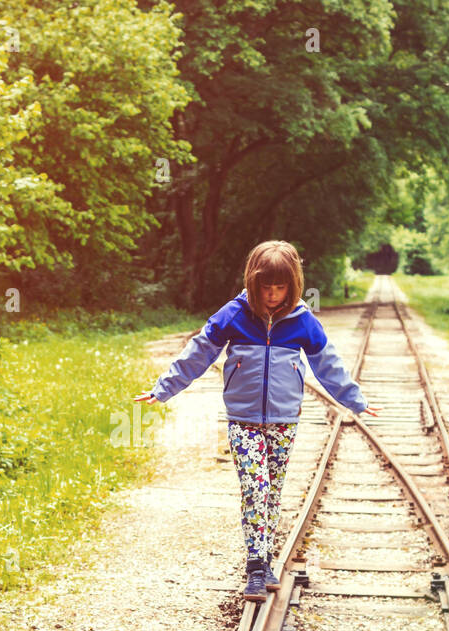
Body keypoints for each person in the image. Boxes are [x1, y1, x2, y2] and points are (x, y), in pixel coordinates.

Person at [135, 240, 380, 602]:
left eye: (280, 287)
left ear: (292, 285)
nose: (272, 294)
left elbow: (327, 363)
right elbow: (199, 350)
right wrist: (165, 388)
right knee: (256, 488)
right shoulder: (234, 314)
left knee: (273, 492)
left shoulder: (301, 320)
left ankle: (265, 559)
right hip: (244, 420)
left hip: (284, 421)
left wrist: (354, 400)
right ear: (253, 281)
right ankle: (254, 567)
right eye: (266, 286)